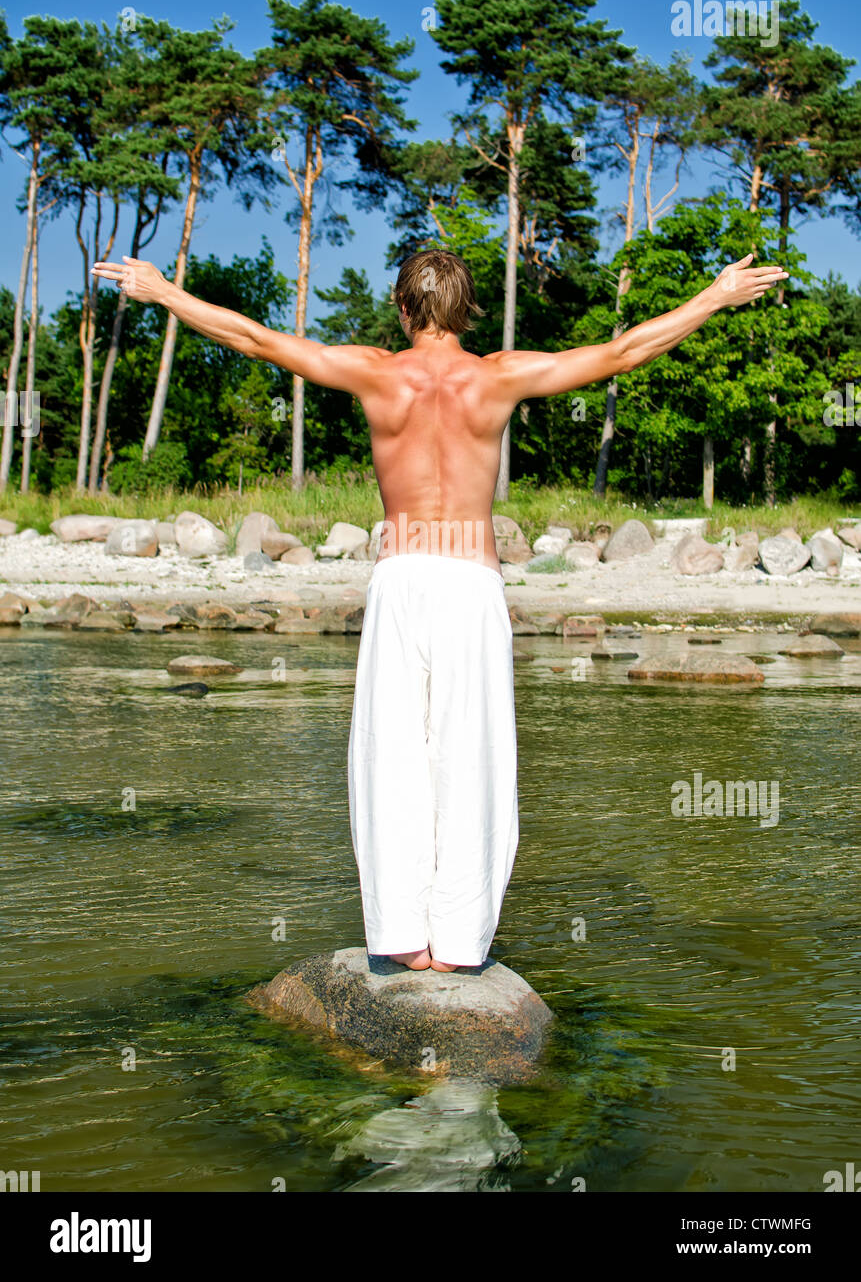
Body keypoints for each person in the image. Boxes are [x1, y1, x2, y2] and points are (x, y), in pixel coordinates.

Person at [92, 247, 788, 971]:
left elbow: (257, 339)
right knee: (471, 755)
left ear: (401, 308)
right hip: (467, 582)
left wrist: (168, 291)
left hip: (399, 579)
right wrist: (711, 296)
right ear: (468, 312)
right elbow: (620, 352)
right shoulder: (498, 376)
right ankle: (457, 943)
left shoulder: (374, 370)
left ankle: (400, 937)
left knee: (391, 756)